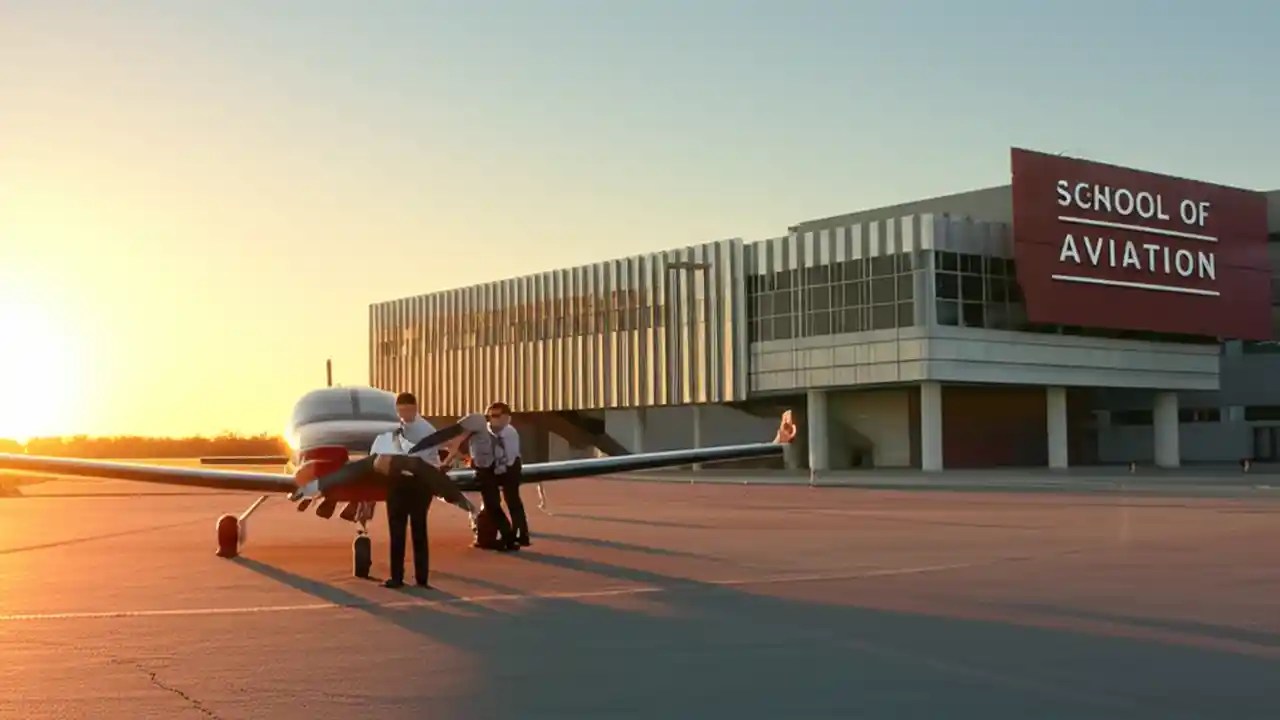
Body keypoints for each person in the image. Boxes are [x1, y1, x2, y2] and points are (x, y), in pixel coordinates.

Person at [371, 392, 479, 589]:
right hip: (398, 483)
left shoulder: (425, 430)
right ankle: (396, 577)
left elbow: (414, 461)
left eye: (408, 410)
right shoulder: (396, 428)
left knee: (418, 530)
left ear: (416, 408)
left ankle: (421, 579)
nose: (405, 414)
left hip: (420, 483)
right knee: (396, 531)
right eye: (401, 410)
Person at [470, 401, 530, 548]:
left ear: (507, 418)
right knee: (492, 503)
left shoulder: (510, 433)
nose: (493, 419)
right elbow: (477, 456)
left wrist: (500, 472)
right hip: (488, 467)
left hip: (509, 466)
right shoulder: (480, 434)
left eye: (497, 415)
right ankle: (508, 535)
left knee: (513, 500)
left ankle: (522, 535)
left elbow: (510, 457)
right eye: (490, 416)